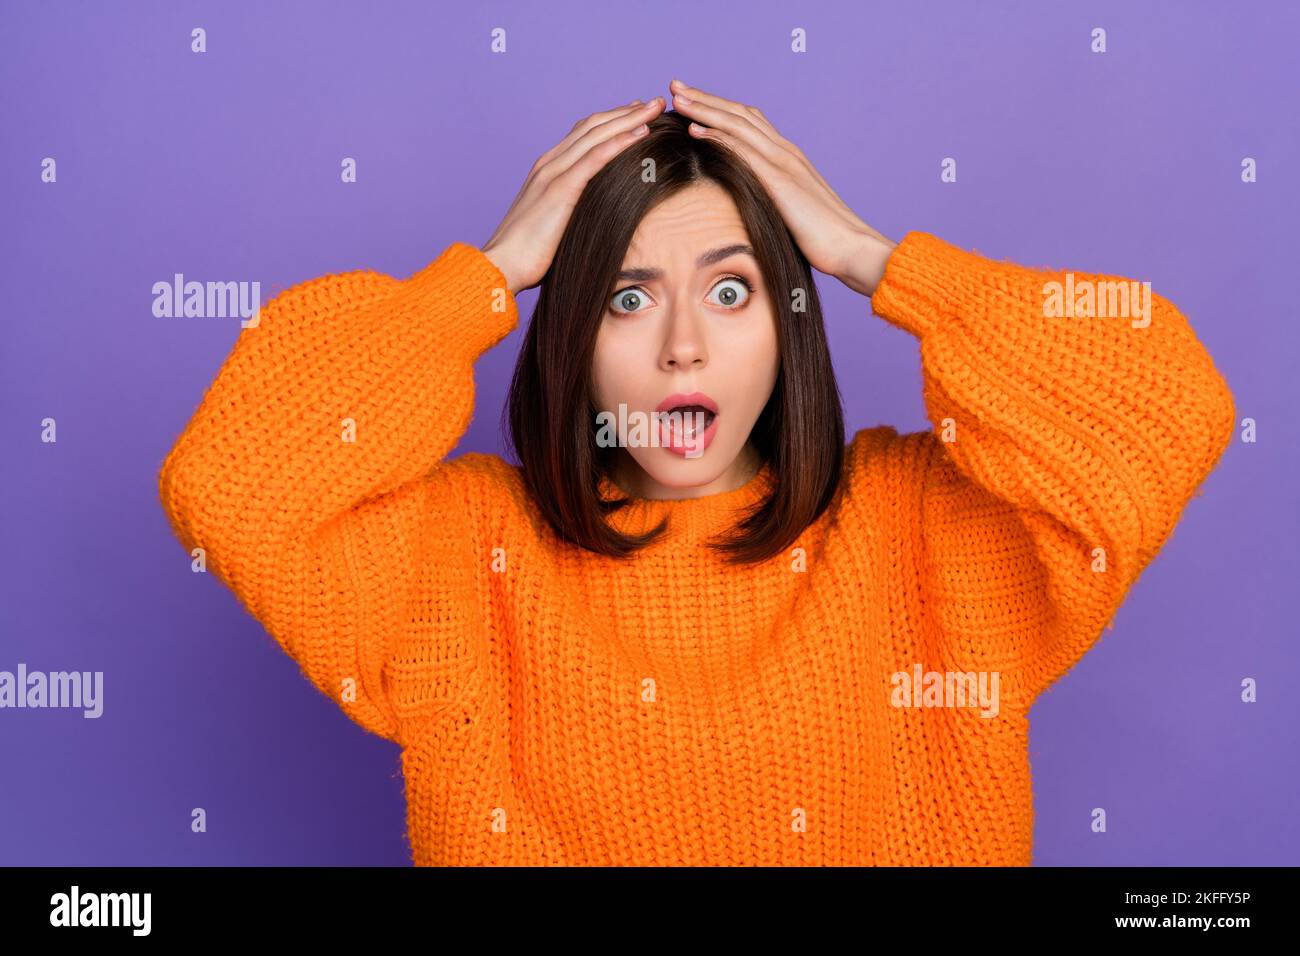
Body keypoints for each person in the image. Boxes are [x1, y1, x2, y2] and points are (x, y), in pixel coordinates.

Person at [158, 80, 1235, 866]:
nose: (682, 345)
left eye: (731, 293)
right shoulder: (458, 552)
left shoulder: (928, 527)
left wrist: (871, 256)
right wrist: (483, 278)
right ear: (571, 332)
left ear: (788, 321)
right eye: (626, 298)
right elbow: (231, 474)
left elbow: (1170, 404)